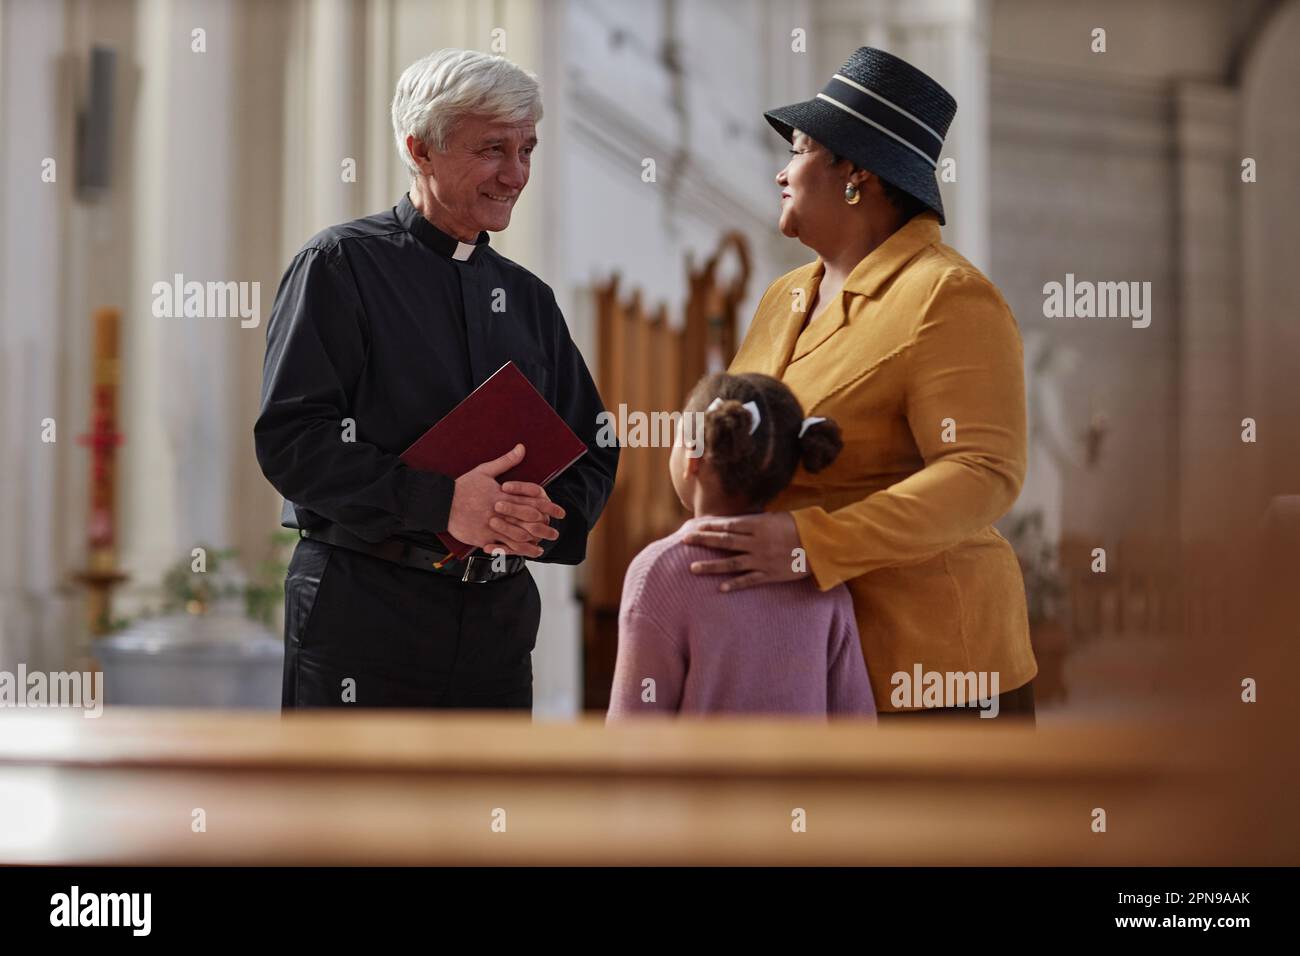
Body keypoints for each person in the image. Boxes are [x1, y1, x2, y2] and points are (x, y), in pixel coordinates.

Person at [254, 48, 618, 710]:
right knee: (356, 817)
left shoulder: (529, 299)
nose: (516, 174)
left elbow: (594, 444)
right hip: (363, 618)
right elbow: (293, 441)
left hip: (497, 627)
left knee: (487, 814)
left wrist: (543, 514)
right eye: (494, 150)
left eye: (527, 149)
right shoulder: (339, 266)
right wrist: (439, 504)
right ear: (421, 150)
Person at [684, 47, 1037, 721]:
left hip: (932, 668)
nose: (782, 171)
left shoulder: (948, 296)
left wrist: (812, 543)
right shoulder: (782, 297)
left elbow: (983, 470)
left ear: (857, 175)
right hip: (800, 660)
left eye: (802, 148)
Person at [607, 372, 875, 719]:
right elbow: (857, 728)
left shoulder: (659, 572)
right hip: (807, 776)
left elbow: (633, 735)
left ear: (693, 457)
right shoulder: (816, 570)